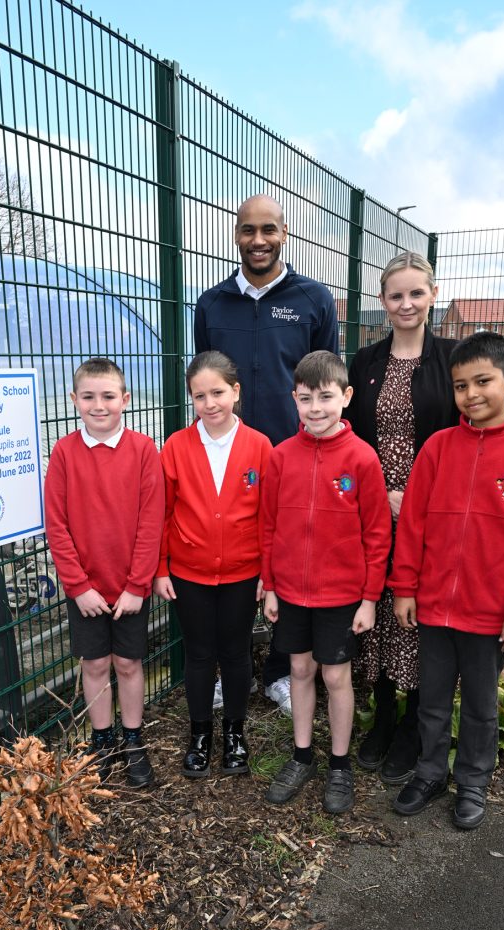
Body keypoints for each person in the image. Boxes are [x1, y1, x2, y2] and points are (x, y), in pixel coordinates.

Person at [389, 332, 504, 829]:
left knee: (482, 708)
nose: (471, 394)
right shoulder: (439, 449)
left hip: (489, 614)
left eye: (483, 381)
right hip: (435, 606)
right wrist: (405, 587)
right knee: (432, 699)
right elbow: (414, 524)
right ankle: (429, 771)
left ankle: (474, 781)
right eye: (461, 385)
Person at [194, 194, 340, 715]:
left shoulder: (314, 300)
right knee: (222, 555)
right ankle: (217, 667)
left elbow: (327, 379)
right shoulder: (211, 304)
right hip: (225, 457)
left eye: (269, 230)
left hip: (291, 454)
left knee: (287, 555)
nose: (259, 240)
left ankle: (281, 669)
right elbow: (206, 376)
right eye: (248, 230)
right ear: (236, 235)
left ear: (284, 233)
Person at [261, 351, 391, 813]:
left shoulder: (362, 459)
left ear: (346, 397)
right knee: (299, 670)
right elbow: (269, 526)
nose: (316, 408)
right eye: (305, 399)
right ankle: (301, 757)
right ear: (293, 399)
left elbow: (377, 534)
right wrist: (270, 585)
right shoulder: (280, 457)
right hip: (292, 591)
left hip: (342, 595)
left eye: (325, 397)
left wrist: (369, 598)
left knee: (336, 675)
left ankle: (339, 765)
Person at [345, 251, 458, 785]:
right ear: (383, 301)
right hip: (372, 512)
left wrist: (414, 498)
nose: (406, 303)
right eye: (396, 295)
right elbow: (350, 439)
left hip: (434, 514)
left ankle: (416, 724)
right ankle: (383, 715)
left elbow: (467, 439)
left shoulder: (452, 360)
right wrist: (379, 494)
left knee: (419, 613)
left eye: (416, 293)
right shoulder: (365, 362)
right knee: (380, 606)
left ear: (432, 295)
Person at [44, 357, 165, 788]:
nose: (99, 405)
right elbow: (56, 526)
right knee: (95, 664)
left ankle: (133, 738)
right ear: (74, 400)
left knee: (129, 664)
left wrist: (137, 586)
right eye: (89, 397)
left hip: (130, 589)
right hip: (86, 591)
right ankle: (102, 739)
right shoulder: (64, 453)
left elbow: (152, 523)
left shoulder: (143, 450)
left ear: (125, 400)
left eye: (108, 396)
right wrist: (77, 587)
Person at [154, 351, 273, 779]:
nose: (210, 403)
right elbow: (162, 512)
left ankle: (235, 733)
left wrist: (268, 573)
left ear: (236, 392)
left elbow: (269, 516)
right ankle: (200, 733)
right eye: (199, 396)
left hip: (243, 572)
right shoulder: (176, 446)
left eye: (218, 392)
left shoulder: (260, 446)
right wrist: (161, 568)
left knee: (236, 652)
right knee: (200, 654)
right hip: (190, 572)